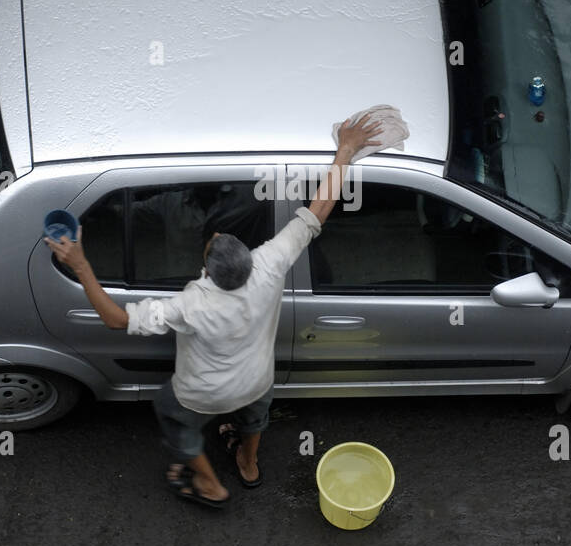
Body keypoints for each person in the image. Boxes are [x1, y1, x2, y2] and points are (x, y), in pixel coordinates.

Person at [45, 112, 383, 508]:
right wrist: (345, 151)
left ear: (207, 271)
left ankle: (210, 485)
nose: (218, 232)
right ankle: (248, 465)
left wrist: (81, 265)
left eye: (215, 240)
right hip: (257, 381)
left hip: (201, 394)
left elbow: (116, 319)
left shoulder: (191, 303)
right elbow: (319, 210)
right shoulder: (270, 263)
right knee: (255, 419)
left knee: (172, 416)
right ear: (248, 257)